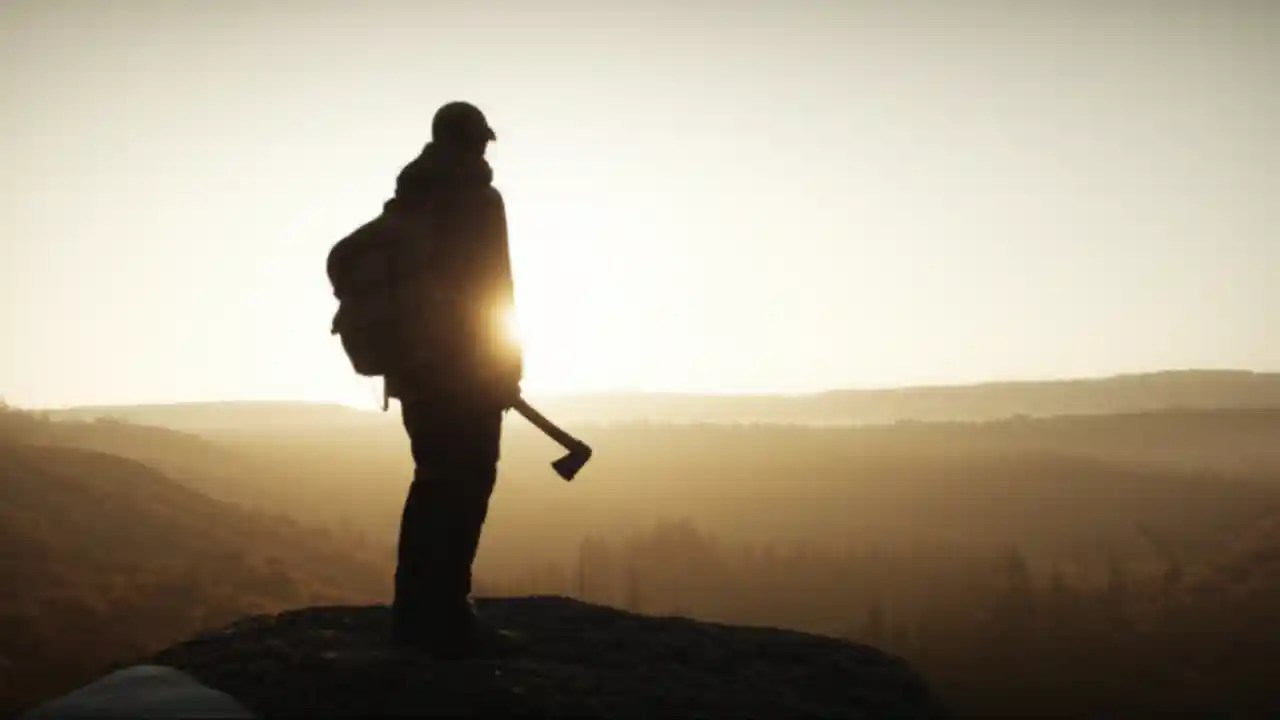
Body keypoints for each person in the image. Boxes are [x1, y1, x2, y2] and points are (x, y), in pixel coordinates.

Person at [384, 101, 522, 657]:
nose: (488, 150)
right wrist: (506, 366)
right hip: (468, 373)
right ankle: (448, 613)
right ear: (471, 144)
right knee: (468, 486)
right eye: (482, 141)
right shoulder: (479, 201)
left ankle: (414, 611)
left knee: (432, 483)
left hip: (415, 373)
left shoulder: (408, 198)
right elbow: (494, 289)